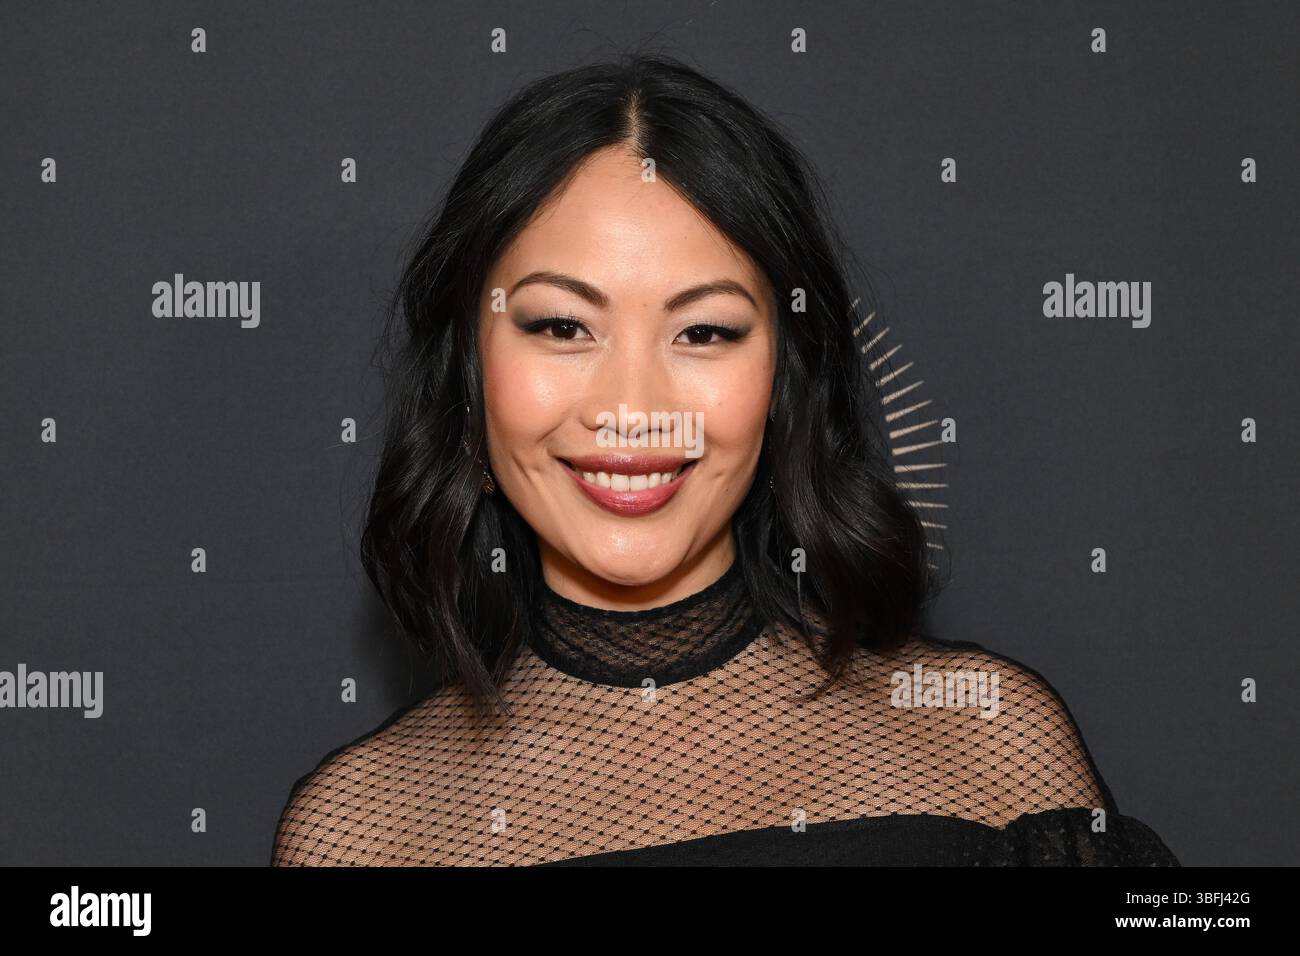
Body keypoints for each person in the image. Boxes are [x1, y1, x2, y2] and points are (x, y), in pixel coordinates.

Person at [270, 53, 1179, 866]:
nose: (633, 409)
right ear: (468, 379)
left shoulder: (987, 743)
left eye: (703, 331)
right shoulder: (365, 831)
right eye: (561, 326)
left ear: (783, 380)